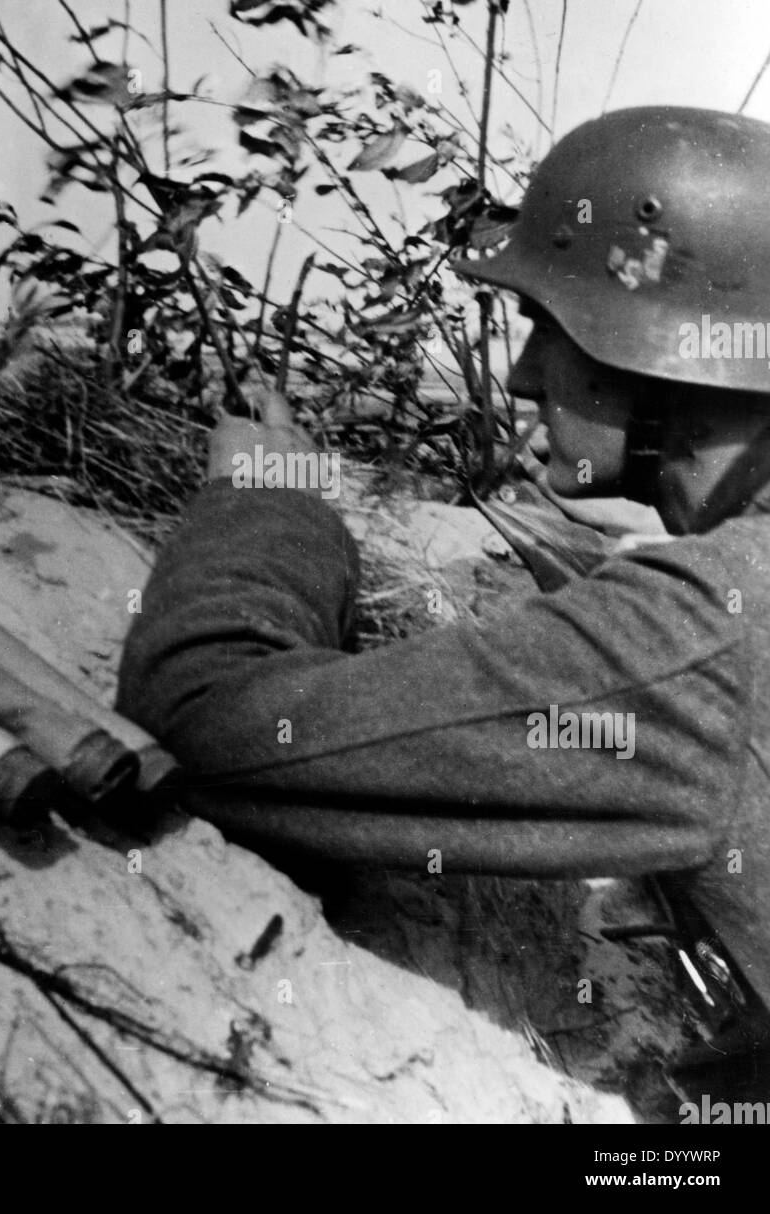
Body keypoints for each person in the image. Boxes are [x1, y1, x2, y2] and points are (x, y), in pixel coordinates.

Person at [117, 106, 770, 1099]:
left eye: (546, 327)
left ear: (649, 348)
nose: (515, 377)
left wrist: (268, 501)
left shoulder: (700, 635)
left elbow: (199, 712)